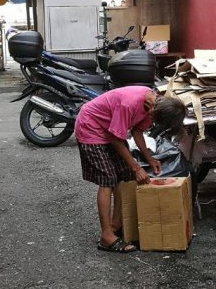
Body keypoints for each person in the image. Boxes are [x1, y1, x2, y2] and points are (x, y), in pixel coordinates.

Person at [74, 85, 187, 253]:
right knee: (108, 180)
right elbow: (115, 138)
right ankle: (106, 237)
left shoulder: (154, 104)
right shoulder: (129, 104)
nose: (152, 122)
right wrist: (135, 167)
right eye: (154, 120)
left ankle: (116, 224)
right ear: (155, 111)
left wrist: (149, 159)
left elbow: (137, 131)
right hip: (91, 128)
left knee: (123, 175)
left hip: (109, 130)